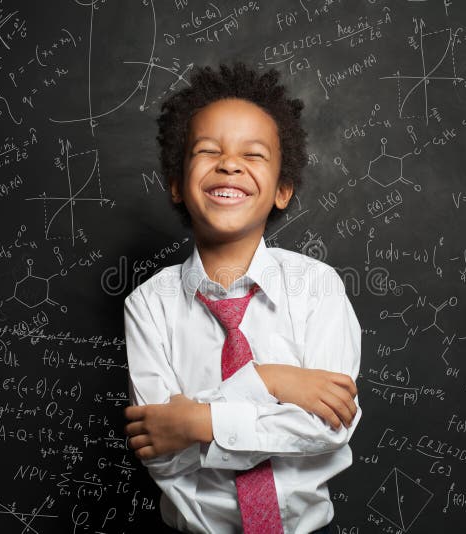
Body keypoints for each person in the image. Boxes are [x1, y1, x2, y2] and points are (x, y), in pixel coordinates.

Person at [123, 62, 362, 534]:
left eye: (253, 155)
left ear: (282, 189)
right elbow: (162, 454)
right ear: (176, 183)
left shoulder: (318, 287)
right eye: (208, 151)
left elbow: (327, 429)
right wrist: (270, 383)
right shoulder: (149, 305)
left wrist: (197, 420)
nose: (229, 164)